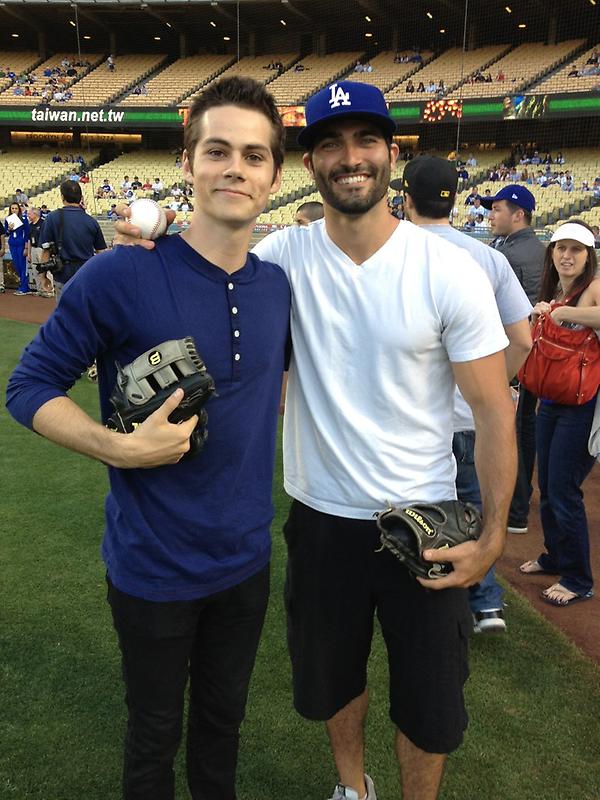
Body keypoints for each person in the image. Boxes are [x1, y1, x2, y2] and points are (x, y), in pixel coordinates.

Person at [114, 81, 517, 800]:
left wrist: (491, 537)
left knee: (430, 705)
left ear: (392, 154)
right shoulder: (282, 261)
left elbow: (492, 412)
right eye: (330, 143)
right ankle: (352, 788)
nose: (349, 157)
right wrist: (149, 243)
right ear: (309, 165)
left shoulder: (448, 269)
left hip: (426, 517)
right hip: (322, 519)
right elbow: (204, 263)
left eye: (366, 140)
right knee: (332, 681)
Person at [6, 76, 290, 800]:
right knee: (154, 735)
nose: (235, 168)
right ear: (187, 163)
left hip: (246, 561)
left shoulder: (280, 287)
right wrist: (120, 447)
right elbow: (28, 387)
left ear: (274, 177)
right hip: (152, 566)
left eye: (254, 156)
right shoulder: (120, 273)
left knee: (223, 726)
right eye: (217, 150)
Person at [401, 154, 532, 634]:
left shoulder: (394, 251)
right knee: (476, 508)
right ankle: (487, 603)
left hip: (417, 413)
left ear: (407, 199)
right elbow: (522, 339)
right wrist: (493, 387)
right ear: (454, 200)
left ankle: (421, 592)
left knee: (417, 511)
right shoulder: (488, 257)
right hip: (477, 412)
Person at [519, 221, 600, 606]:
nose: (567, 256)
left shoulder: (592, 288)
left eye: (576, 249)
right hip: (552, 400)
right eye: (561, 248)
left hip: (582, 406)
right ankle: (555, 556)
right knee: (549, 487)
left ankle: (579, 578)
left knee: (564, 491)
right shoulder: (556, 291)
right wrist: (547, 310)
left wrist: (563, 312)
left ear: (588, 256)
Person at [483, 185, 546, 535]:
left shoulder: (510, 253)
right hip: (534, 351)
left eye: (497, 209)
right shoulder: (533, 248)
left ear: (518, 214)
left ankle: (516, 509)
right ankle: (521, 501)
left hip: (514, 351)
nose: (490, 215)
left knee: (509, 429)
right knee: (524, 427)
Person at [39, 180, 106, 300]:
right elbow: (101, 253)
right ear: (80, 197)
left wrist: (43, 277)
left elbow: (46, 251)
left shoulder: (52, 218)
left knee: (64, 310)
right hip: (86, 274)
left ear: (62, 197)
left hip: (62, 274)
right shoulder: (91, 221)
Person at [4, 201, 30, 296]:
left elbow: (27, 233)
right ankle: (23, 285)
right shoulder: (8, 219)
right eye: (12, 208)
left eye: (16, 208)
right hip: (12, 244)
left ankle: (24, 287)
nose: (14, 210)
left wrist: (26, 246)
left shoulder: (24, 218)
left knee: (22, 265)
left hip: (21, 244)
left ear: (19, 209)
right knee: (16, 264)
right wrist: (9, 229)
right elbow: (6, 233)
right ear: (10, 209)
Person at [26, 207, 53, 297]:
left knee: (45, 269)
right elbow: (29, 240)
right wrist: (29, 253)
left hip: (42, 249)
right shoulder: (30, 225)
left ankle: (49, 290)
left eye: (29, 214)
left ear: (35, 214)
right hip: (33, 248)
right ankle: (40, 289)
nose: (28, 216)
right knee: (36, 269)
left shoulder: (43, 223)